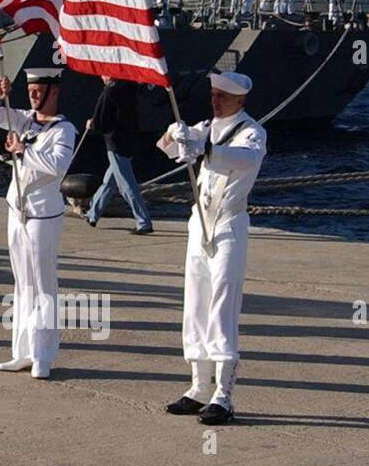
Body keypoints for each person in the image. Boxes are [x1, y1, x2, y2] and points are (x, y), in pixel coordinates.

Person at [158, 71, 266, 425]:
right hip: (199, 223)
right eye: (213, 94)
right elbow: (171, 146)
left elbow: (242, 159)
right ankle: (198, 386)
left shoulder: (252, 132)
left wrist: (204, 148)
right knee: (196, 304)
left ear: (240, 100)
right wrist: (177, 133)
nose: (215, 100)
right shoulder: (208, 126)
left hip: (229, 225)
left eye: (222, 96)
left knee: (222, 305)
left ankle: (224, 394)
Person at [0, 68, 76, 379]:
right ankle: (22, 352)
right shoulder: (23, 119)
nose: (32, 94)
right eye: (31, 89)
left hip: (44, 213)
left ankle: (44, 355)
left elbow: (58, 165)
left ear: (54, 92)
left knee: (44, 284)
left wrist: (23, 150)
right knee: (22, 284)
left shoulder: (64, 129)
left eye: (39, 89)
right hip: (17, 209)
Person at [85, 76, 152, 234]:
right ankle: (93, 214)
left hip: (115, 142)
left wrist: (92, 123)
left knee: (126, 184)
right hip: (130, 139)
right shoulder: (130, 87)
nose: (102, 77)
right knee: (110, 181)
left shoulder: (110, 91)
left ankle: (144, 221)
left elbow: (101, 119)